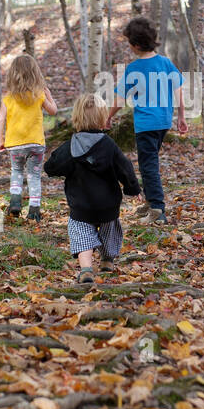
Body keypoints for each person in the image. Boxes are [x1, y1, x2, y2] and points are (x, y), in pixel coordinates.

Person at [44, 93, 141, 285]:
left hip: (82, 205)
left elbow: (52, 166)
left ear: (77, 118)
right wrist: (133, 188)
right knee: (109, 230)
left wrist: (53, 168)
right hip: (108, 204)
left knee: (82, 235)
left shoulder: (70, 146)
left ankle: (86, 269)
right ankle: (107, 260)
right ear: (102, 118)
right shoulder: (109, 145)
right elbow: (125, 167)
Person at [106, 17, 188, 224]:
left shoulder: (134, 69)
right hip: (163, 122)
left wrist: (107, 116)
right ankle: (151, 201)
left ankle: (158, 209)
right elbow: (178, 90)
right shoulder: (165, 63)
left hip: (146, 125)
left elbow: (120, 99)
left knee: (148, 165)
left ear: (135, 45)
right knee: (148, 162)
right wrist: (181, 116)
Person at [0, 53, 57, 220]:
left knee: (16, 170)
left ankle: (15, 201)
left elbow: (0, 120)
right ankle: (34, 210)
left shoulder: (8, 98)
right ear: (35, 73)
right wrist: (49, 95)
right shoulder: (39, 95)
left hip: (15, 144)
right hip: (36, 144)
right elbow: (53, 111)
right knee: (34, 175)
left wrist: (0, 140)